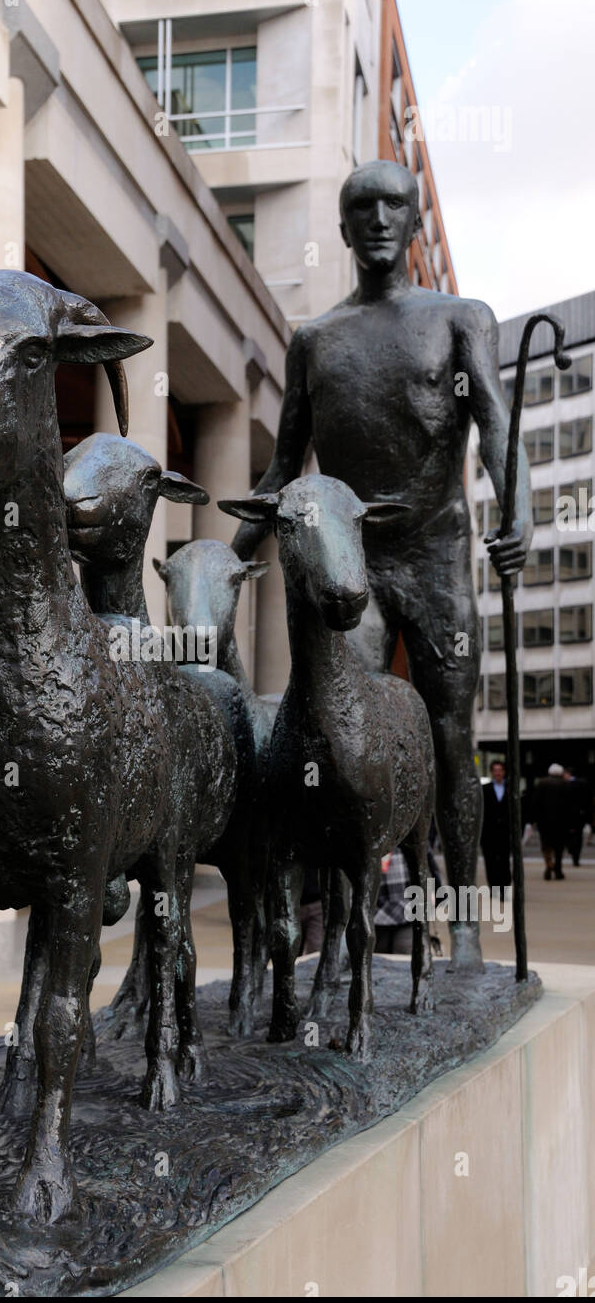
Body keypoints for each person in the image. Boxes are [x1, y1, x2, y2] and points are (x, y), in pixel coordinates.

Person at [232, 159, 532, 974]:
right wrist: (224, 564)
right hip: (352, 564)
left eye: (391, 205)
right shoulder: (314, 341)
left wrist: (521, 513)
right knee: (338, 732)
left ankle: (464, 926)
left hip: (435, 554)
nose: (375, 219)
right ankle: (343, 930)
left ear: (412, 222)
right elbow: (282, 466)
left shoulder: (460, 319)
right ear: (342, 227)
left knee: (447, 736)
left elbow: (497, 426)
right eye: (359, 207)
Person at [531, 764, 574, 880]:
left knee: (546, 845)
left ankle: (549, 864)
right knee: (559, 847)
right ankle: (558, 868)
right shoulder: (565, 784)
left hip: (544, 821)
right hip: (561, 822)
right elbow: (570, 806)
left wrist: (535, 819)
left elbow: (536, 803)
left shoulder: (541, 783)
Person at [481, 759, 511, 894]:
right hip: (489, 832)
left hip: (505, 832)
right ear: (492, 772)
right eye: (495, 771)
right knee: (491, 860)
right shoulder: (484, 789)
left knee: (504, 860)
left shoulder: (510, 788)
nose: (498, 773)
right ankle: (494, 886)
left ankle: (504, 885)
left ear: (504, 772)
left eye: (500, 770)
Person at [563, 767, 590, 867]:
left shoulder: (565, 785)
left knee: (569, 835)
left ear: (568, 774)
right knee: (578, 836)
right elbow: (587, 800)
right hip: (580, 815)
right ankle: (576, 856)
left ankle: (571, 849)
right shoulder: (582, 784)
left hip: (568, 815)